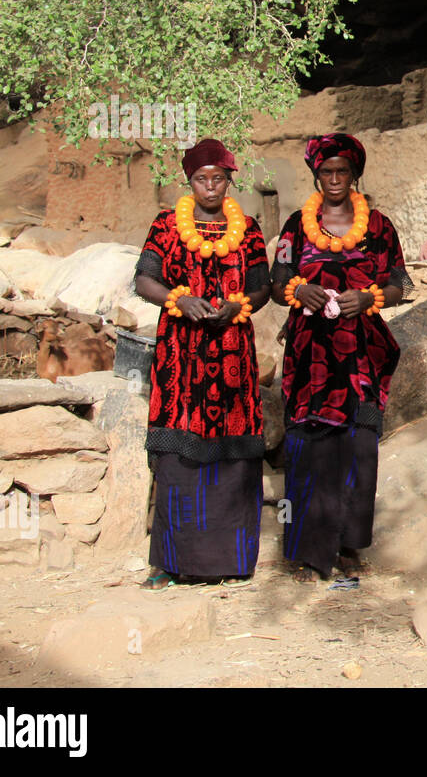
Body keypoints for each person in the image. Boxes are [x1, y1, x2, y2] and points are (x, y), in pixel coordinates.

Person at [270, 132, 413, 582]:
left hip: (361, 357)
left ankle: (348, 548)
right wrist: (299, 289)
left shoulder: (379, 227)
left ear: (355, 175)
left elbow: (397, 283)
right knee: (309, 447)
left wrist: (368, 299)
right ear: (316, 175)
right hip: (310, 354)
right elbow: (276, 283)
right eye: (326, 172)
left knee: (357, 447)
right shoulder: (296, 225)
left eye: (342, 172)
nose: (334, 179)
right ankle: (308, 553)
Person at [134, 138, 272, 591]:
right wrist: (180, 299)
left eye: (218, 178)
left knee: (233, 452)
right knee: (178, 452)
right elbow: (144, 280)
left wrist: (238, 307)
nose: (210, 187)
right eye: (201, 179)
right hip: (182, 353)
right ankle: (169, 563)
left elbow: (261, 288)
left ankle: (229, 559)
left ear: (229, 180)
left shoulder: (248, 229)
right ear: (189, 181)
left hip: (233, 350)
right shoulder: (167, 226)